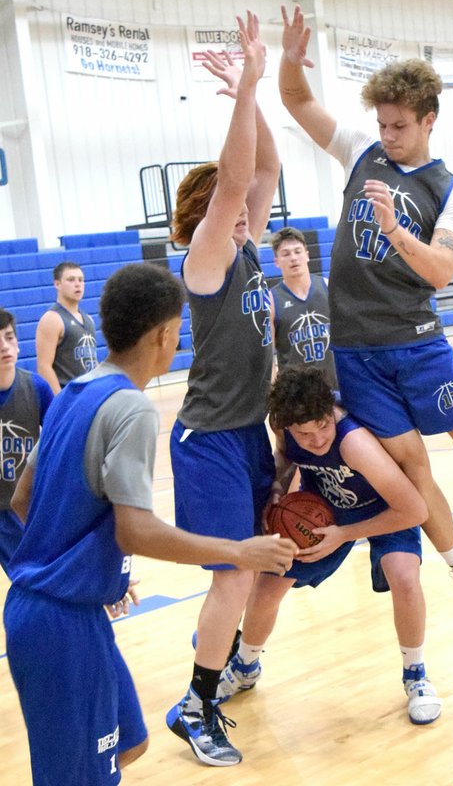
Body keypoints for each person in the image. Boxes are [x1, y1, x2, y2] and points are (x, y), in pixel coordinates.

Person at [277, 5, 453, 632]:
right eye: (381, 124)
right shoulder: (361, 151)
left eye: (400, 125)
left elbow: (440, 270)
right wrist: (287, 63)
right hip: (356, 351)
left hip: (418, 345)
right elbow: (297, 101)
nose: (387, 134)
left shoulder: (452, 189)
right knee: (414, 466)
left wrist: (393, 230)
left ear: (429, 119)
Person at [3, 262, 297, 786]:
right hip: (60, 625)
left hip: (67, 609)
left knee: (130, 742)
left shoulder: (76, 390)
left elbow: (23, 499)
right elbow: (133, 531)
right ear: (164, 334)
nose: (181, 334)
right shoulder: (133, 408)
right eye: (180, 325)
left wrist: (91, 572)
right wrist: (240, 552)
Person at [166, 13, 283, 768]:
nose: (245, 210)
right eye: (228, 205)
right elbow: (240, 178)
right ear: (209, 211)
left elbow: (263, 172)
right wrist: (242, 91)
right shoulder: (205, 260)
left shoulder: (244, 248)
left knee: (257, 571)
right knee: (237, 571)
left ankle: (224, 664)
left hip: (248, 435)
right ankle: (195, 704)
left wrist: (253, 95)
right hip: (208, 437)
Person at [216, 366, 442, 725]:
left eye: (323, 425)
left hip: (386, 510)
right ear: (286, 425)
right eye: (304, 434)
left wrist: (345, 535)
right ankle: (245, 666)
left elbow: (415, 509)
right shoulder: (284, 429)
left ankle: (416, 676)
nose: (318, 439)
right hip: (324, 512)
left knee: (404, 576)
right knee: (268, 584)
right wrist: (277, 485)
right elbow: (285, 457)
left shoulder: (354, 444)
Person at [0, 308, 53, 572]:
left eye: (8, 337)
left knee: (34, 581)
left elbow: (60, 443)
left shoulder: (36, 389)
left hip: (20, 507)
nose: (4, 347)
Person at [269, 226, 337, 386]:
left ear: (307, 255)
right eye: (286, 254)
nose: (293, 258)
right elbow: (268, 357)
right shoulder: (271, 300)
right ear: (276, 262)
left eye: (298, 251)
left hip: (335, 386)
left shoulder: (327, 286)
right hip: (296, 393)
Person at [35, 261, 98, 394]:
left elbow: (92, 360)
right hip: (70, 397)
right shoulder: (52, 319)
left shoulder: (89, 319)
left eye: (81, 280)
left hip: (90, 395)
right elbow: (44, 367)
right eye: (71, 280)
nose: (77, 284)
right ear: (57, 284)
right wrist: (60, 402)